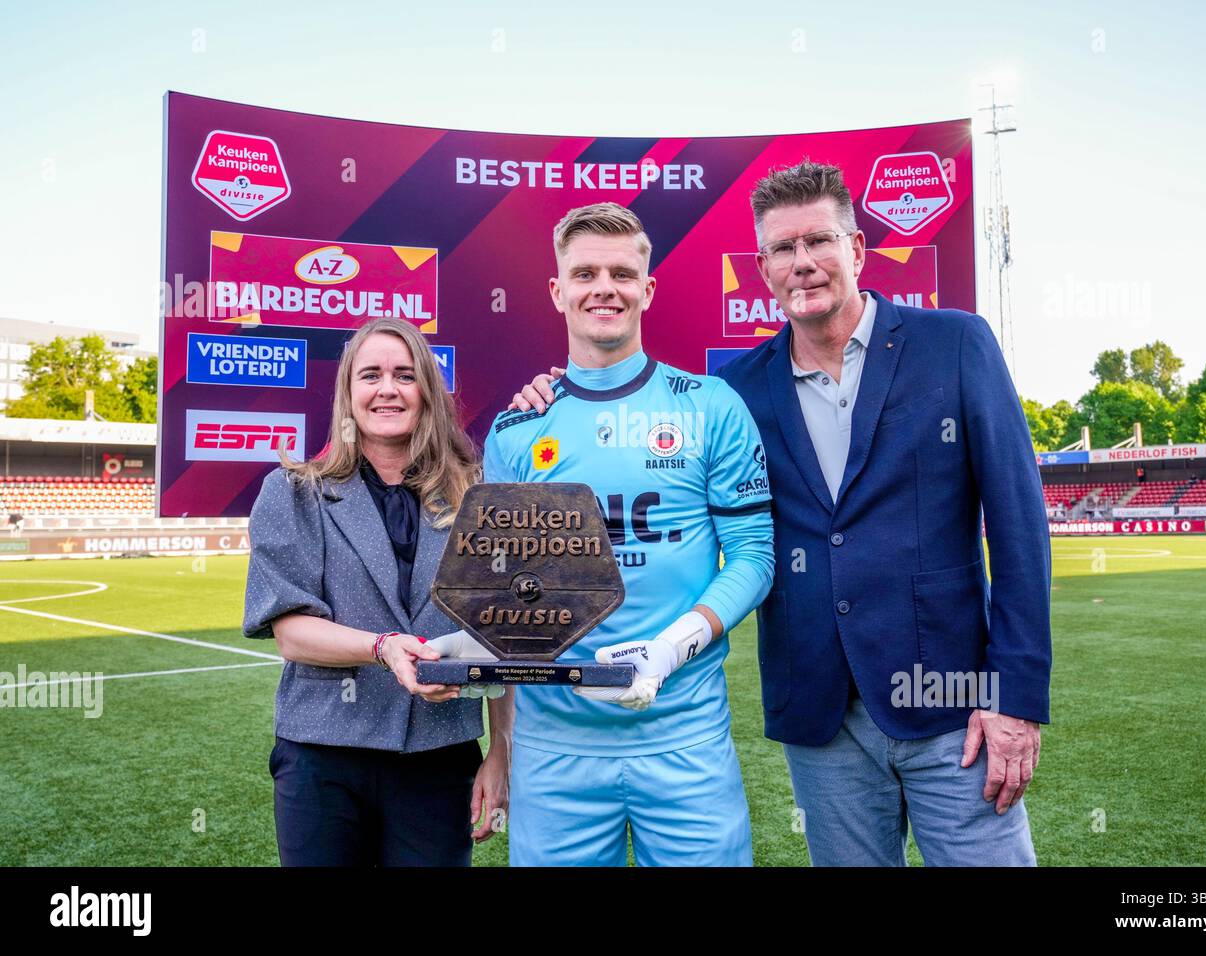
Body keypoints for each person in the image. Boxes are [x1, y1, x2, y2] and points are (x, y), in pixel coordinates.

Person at [512, 162, 1051, 867]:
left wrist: (1014, 696)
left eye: (819, 241)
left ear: (856, 249)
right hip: (821, 713)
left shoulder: (955, 343)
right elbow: (626, 404)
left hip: (954, 703)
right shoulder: (736, 390)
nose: (803, 263)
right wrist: (556, 393)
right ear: (763, 268)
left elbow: (1019, 528)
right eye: (782, 249)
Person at [483, 202, 774, 866]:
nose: (604, 288)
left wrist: (670, 648)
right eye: (585, 273)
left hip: (685, 740)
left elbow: (755, 556)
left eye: (621, 273)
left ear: (648, 288)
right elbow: (503, 593)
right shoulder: (517, 429)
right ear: (558, 291)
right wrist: (475, 661)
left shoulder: (710, 406)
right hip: (554, 753)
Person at [243, 316, 512, 866]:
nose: (387, 389)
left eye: (405, 375)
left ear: (427, 392)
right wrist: (383, 646)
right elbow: (291, 633)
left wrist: (501, 749)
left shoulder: (478, 496)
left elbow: (500, 635)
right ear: (348, 393)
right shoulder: (294, 491)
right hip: (323, 758)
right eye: (370, 375)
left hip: (441, 757)